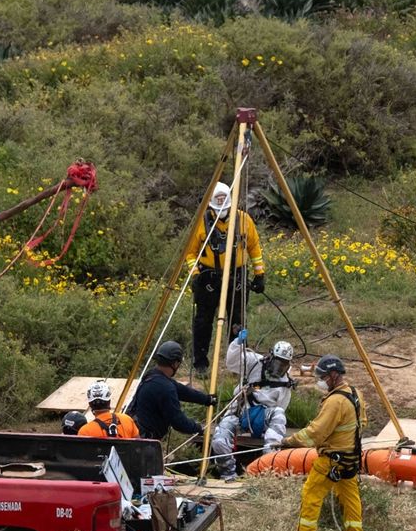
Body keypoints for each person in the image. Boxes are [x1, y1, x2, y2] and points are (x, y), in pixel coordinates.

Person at [280, 354, 365, 531]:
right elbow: (362, 424)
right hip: (351, 459)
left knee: (311, 493)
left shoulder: (335, 401)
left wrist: (289, 442)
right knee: (350, 499)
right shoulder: (355, 393)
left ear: (334, 375)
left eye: (323, 377)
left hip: (331, 460)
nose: (321, 381)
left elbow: (316, 433)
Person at [184, 182, 266, 370]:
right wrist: (196, 275)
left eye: (226, 207)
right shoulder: (201, 223)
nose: (222, 211)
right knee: (203, 321)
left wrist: (259, 274)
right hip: (208, 279)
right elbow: (190, 253)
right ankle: (201, 362)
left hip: (237, 277)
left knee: (237, 320)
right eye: (217, 208)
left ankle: (236, 361)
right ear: (211, 206)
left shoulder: (244, 220)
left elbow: (254, 248)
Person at [211, 330, 294, 482]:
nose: (278, 368)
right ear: (271, 356)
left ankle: (267, 470)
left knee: (279, 415)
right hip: (241, 411)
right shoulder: (255, 362)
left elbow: (281, 406)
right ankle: (228, 473)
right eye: (276, 363)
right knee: (219, 440)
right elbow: (233, 362)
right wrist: (238, 343)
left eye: (282, 365)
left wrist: (265, 429)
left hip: (264, 416)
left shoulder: (285, 383)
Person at [126, 341, 216, 441]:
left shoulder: (153, 376)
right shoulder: (165, 387)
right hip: (144, 442)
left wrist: (206, 399)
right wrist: (198, 428)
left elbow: (183, 391)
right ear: (175, 363)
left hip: (134, 433)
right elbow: (178, 422)